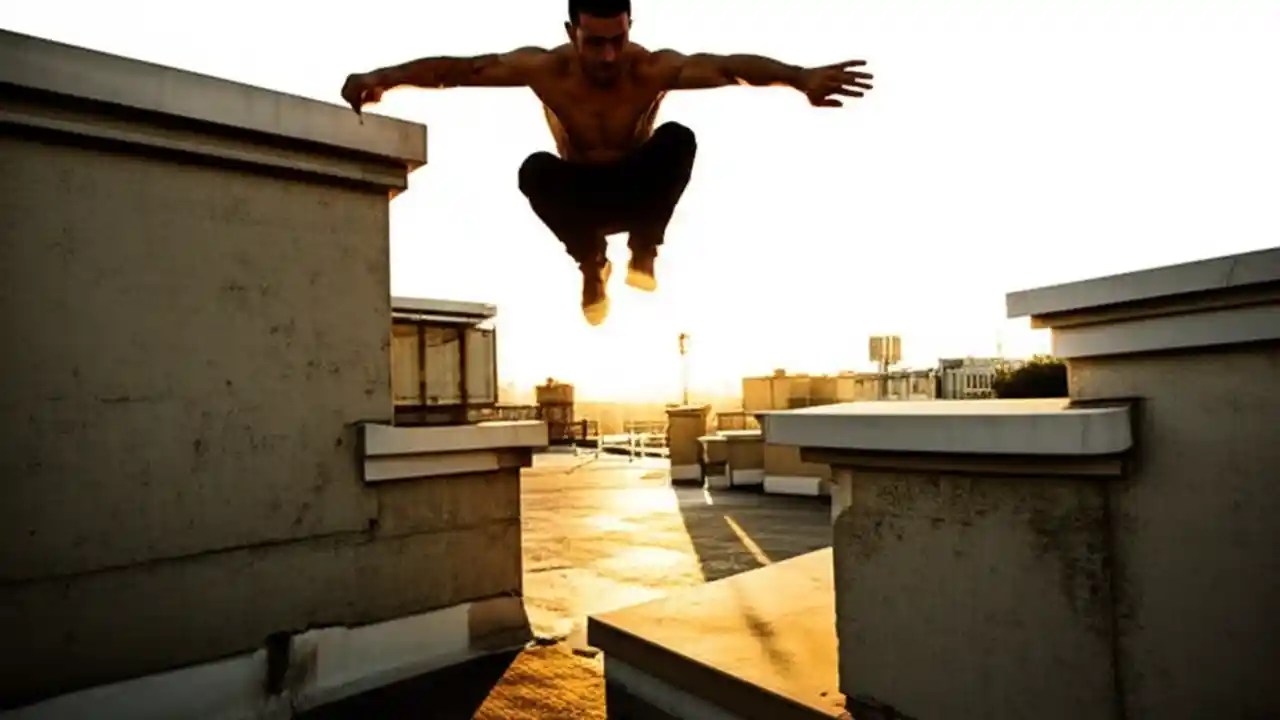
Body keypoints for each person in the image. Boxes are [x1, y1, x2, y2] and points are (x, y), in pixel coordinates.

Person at [341, 0, 873, 325]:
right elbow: (459, 71)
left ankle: (646, 248)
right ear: (571, 31)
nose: (608, 57)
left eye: (617, 40)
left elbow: (729, 68)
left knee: (677, 138)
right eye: (595, 44)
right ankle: (592, 265)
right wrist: (383, 77)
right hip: (581, 199)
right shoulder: (544, 69)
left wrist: (800, 76)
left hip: (639, 192)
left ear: (630, 27)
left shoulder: (650, 68)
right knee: (533, 169)